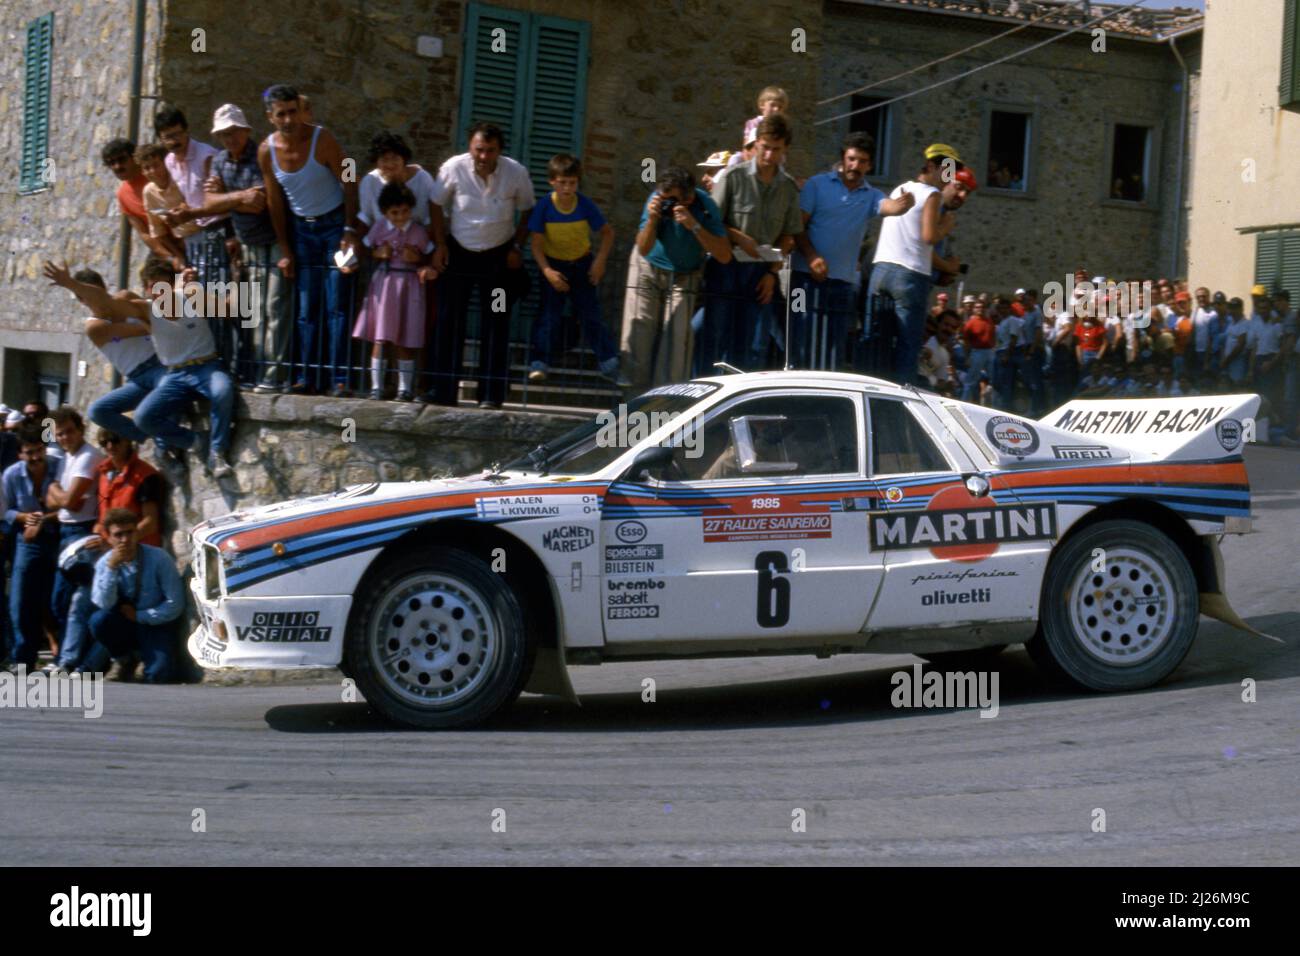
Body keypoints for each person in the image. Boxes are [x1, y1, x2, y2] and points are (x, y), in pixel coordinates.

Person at [44, 258, 236, 479]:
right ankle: (183, 442)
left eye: (163, 285)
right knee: (108, 412)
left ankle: (195, 450)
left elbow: (228, 308)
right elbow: (136, 323)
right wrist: (71, 284)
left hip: (171, 367)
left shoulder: (142, 300)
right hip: (146, 375)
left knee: (221, 390)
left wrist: (197, 290)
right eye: (153, 287)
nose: (158, 291)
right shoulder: (100, 324)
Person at [423, 122, 535, 409]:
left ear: (500, 150)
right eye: (479, 150)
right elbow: (435, 204)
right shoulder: (453, 167)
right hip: (459, 254)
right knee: (449, 321)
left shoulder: (516, 172)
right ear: (471, 147)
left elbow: (528, 210)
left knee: (496, 323)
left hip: (498, 259)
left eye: (490, 151)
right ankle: (443, 390)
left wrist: (517, 247)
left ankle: (490, 394)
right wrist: (440, 244)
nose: (484, 156)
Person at [259, 84, 361, 396]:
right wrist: (286, 249)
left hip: (334, 228)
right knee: (306, 307)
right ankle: (305, 376)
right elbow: (275, 201)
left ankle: (340, 378)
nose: (289, 119)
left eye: (293, 111)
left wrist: (349, 230)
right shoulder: (266, 151)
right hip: (302, 232)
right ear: (271, 117)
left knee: (337, 304)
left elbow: (350, 176)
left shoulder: (322, 138)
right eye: (281, 114)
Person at [181, 103, 290, 391]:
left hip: (275, 239)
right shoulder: (219, 161)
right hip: (247, 244)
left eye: (233, 132)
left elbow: (260, 203)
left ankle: (273, 375)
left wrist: (227, 198)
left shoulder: (262, 154)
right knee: (254, 309)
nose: (229, 139)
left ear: (245, 130)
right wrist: (239, 197)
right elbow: (209, 204)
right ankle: (257, 369)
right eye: (223, 134)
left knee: (275, 307)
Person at [790, 131, 913, 370]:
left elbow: (889, 206)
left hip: (841, 284)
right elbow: (796, 226)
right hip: (802, 280)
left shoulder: (871, 196)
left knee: (832, 348)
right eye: (852, 159)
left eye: (862, 161)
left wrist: (904, 204)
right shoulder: (816, 184)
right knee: (798, 336)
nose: (855, 165)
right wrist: (812, 256)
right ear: (843, 159)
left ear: (870, 165)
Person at [703, 113, 802, 372]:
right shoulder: (732, 177)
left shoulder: (789, 188)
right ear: (756, 143)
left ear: (785, 150)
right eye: (765, 147)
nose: (769, 155)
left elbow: (788, 235)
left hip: (761, 272)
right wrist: (738, 236)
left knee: (751, 347)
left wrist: (772, 273)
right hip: (726, 265)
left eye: (776, 150)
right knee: (715, 340)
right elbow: (711, 223)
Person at [622, 165, 731, 388]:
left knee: (676, 339)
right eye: (663, 198)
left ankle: (667, 402)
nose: (665, 203)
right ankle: (633, 404)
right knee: (639, 330)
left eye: (670, 200)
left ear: (687, 200)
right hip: (648, 267)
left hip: (685, 274)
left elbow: (724, 255)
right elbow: (643, 248)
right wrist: (653, 219)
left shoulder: (705, 206)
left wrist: (695, 226)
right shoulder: (656, 200)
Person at [867, 143, 967, 385]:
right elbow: (929, 237)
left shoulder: (899, 189)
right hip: (910, 275)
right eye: (947, 171)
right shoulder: (931, 194)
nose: (949, 179)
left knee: (875, 340)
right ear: (931, 167)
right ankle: (900, 400)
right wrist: (947, 226)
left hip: (880, 270)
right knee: (908, 344)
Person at [53, 268, 168, 456]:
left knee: (166, 387)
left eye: (98, 293)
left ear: (104, 290)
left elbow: (155, 321)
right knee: (98, 411)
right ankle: (152, 436)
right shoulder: (95, 327)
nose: (96, 299)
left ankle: (166, 443)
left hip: (159, 364)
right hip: (137, 379)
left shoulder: (126, 297)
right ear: (82, 301)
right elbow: (144, 328)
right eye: (88, 296)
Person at [526, 154, 619, 384]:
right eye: (563, 182)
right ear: (552, 182)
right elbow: (536, 244)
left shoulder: (585, 204)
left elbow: (607, 233)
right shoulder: (545, 206)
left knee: (590, 314)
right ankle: (540, 362)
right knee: (549, 316)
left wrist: (600, 262)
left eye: (572, 183)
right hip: (553, 265)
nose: (568, 188)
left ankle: (609, 362)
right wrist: (547, 271)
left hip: (581, 264)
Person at [348, 181, 438, 401]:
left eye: (405, 211)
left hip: (409, 284)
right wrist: (379, 253)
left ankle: (404, 388)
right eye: (394, 213)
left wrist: (417, 260)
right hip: (385, 283)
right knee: (381, 336)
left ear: (412, 209)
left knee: (404, 336)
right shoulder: (379, 227)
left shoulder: (417, 231)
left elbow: (428, 255)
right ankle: (376, 387)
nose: (400, 217)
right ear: (385, 212)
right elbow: (367, 250)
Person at [79, 509, 184, 683]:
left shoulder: (159, 558)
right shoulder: (104, 563)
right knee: (98, 620)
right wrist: (112, 568)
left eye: (130, 532)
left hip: (154, 622)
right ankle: (124, 659)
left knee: (159, 674)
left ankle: (146, 658)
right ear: (109, 537)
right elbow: (103, 604)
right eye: (118, 535)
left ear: (137, 532)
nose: (125, 539)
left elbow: (175, 603)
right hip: (124, 623)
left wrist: (140, 616)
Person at [42, 407, 105, 672]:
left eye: (69, 431)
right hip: (65, 530)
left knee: (77, 601)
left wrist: (56, 491)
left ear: (80, 429)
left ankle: (69, 661)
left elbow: (69, 502)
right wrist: (59, 494)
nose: (65, 438)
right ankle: (67, 658)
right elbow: (50, 500)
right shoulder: (68, 457)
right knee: (59, 600)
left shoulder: (87, 456)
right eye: (60, 434)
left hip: (82, 531)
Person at [154, 104, 233, 305]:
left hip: (221, 228)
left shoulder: (206, 156)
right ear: (160, 139)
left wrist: (188, 213)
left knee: (223, 293)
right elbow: (192, 197)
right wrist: (180, 212)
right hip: (198, 233)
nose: (174, 141)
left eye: (177, 134)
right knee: (204, 294)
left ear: (186, 130)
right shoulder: (170, 161)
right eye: (167, 137)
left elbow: (221, 200)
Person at [1, 426, 59, 671]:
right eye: (29, 452)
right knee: (21, 597)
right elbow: (5, 511)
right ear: (21, 454)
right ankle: (22, 658)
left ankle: (61, 656)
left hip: (58, 534)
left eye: (39, 451)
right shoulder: (12, 475)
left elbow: (73, 504)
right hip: (28, 539)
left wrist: (42, 520)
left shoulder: (58, 466)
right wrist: (28, 519)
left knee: (56, 597)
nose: (35, 457)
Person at [101, 138, 185, 268]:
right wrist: (171, 258)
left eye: (121, 159)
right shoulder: (122, 194)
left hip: (189, 236)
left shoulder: (156, 174)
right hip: (169, 251)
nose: (117, 166)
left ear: (133, 158)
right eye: (111, 163)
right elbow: (144, 233)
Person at [138, 143, 199, 256]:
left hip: (204, 231)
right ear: (142, 172)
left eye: (156, 165)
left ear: (165, 163)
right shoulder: (149, 192)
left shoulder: (180, 179)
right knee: (180, 274)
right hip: (185, 245)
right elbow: (158, 231)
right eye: (147, 168)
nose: (153, 171)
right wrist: (177, 256)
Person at [960, 297, 996, 402]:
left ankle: (990, 402)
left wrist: (993, 349)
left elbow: (993, 336)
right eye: (978, 307)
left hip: (990, 351)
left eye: (982, 307)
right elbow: (966, 341)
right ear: (974, 309)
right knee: (971, 380)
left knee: (993, 378)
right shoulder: (970, 323)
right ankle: (964, 401)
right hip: (977, 352)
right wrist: (967, 357)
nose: (980, 309)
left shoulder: (989, 322)